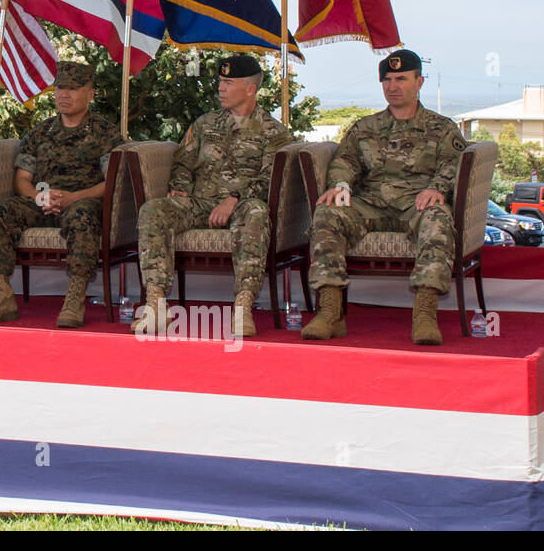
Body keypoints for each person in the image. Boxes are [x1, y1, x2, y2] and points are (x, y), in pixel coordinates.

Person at [302, 49, 465, 345]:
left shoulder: (442, 128)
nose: (393, 86)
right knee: (327, 212)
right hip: (370, 204)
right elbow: (345, 160)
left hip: (416, 204)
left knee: (438, 218)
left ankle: (425, 314)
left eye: (401, 79)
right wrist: (341, 184)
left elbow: (454, 163)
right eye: (387, 80)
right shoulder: (366, 128)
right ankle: (330, 312)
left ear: (419, 81)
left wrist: (437, 188)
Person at [132, 54, 293, 337]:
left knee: (256, 213)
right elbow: (183, 161)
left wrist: (233, 198)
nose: (220, 88)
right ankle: (156, 303)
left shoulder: (273, 132)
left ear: (250, 89)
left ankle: (243, 306)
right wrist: (179, 186)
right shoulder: (205, 124)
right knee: (153, 210)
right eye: (220, 81)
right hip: (199, 202)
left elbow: (271, 179)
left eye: (228, 82)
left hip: (242, 205)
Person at [0, 61, 121, 329]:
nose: (64, 95)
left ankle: (75, 299)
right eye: (60, 88)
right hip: (41, 202)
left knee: (83, 216)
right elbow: (22, 179)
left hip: (83, 202)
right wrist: (39, 198)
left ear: (90, 94)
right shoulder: (41, 132)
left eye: (73, 88)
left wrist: (72, 198)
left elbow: (111, 184)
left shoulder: (105, 134)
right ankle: (3, 295)